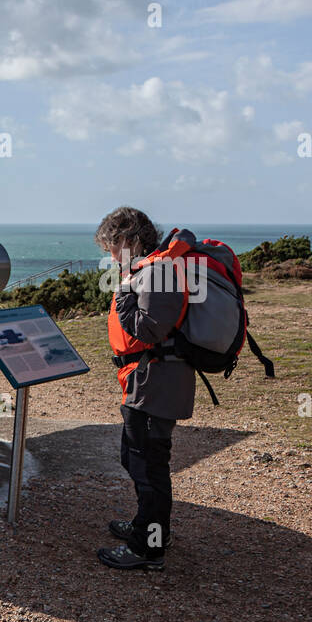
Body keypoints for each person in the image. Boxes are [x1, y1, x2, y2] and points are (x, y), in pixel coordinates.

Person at [94, 207, 195, 571]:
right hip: (145, 382)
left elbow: (150, 329)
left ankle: (147, 548)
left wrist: (122, 293)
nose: (109, 254)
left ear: (128, 239)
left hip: (157, 385)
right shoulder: (150, 268)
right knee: (137, 459)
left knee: (148, 467)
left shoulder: (161, 270)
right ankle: (152, 529)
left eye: (111, 246)